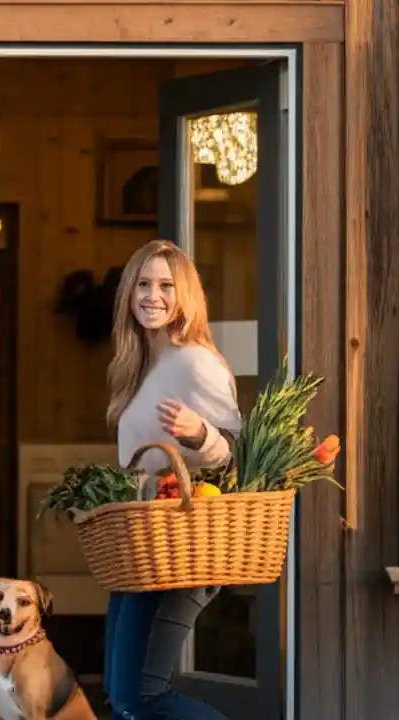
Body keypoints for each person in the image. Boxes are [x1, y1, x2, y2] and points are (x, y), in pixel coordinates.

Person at [101, 239, 241, 720]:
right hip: (141, 546)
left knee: (142, 696)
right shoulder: (139, 365)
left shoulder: (195, 362)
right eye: (143, 283)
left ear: (185, 295)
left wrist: (200, 432)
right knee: (122, 698)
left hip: (180, 545)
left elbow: (241, 459)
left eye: (165, 285)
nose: (152, 295)